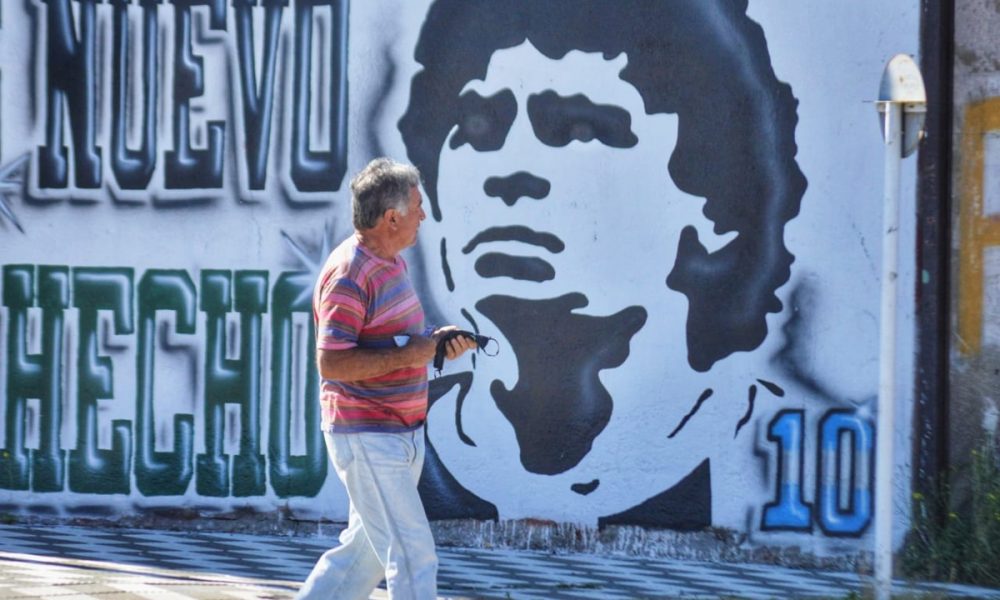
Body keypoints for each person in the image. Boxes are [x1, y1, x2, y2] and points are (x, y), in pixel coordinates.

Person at [397, 0, 807, 527]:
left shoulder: (754, 448)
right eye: (477, 127)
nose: (510, 172)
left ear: (709, 201)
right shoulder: (402, 440)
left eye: (579, 129)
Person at [297, 158, 476, 600]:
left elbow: (391, 341)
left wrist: (433, 343)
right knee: (413, 555)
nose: (424, 215)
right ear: (391, 216)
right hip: (367, 434)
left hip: (397, 433)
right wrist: (412, 352)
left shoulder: (390, 263)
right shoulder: (350, 274)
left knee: (364, 554)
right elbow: (332, 363)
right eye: (418, 206)